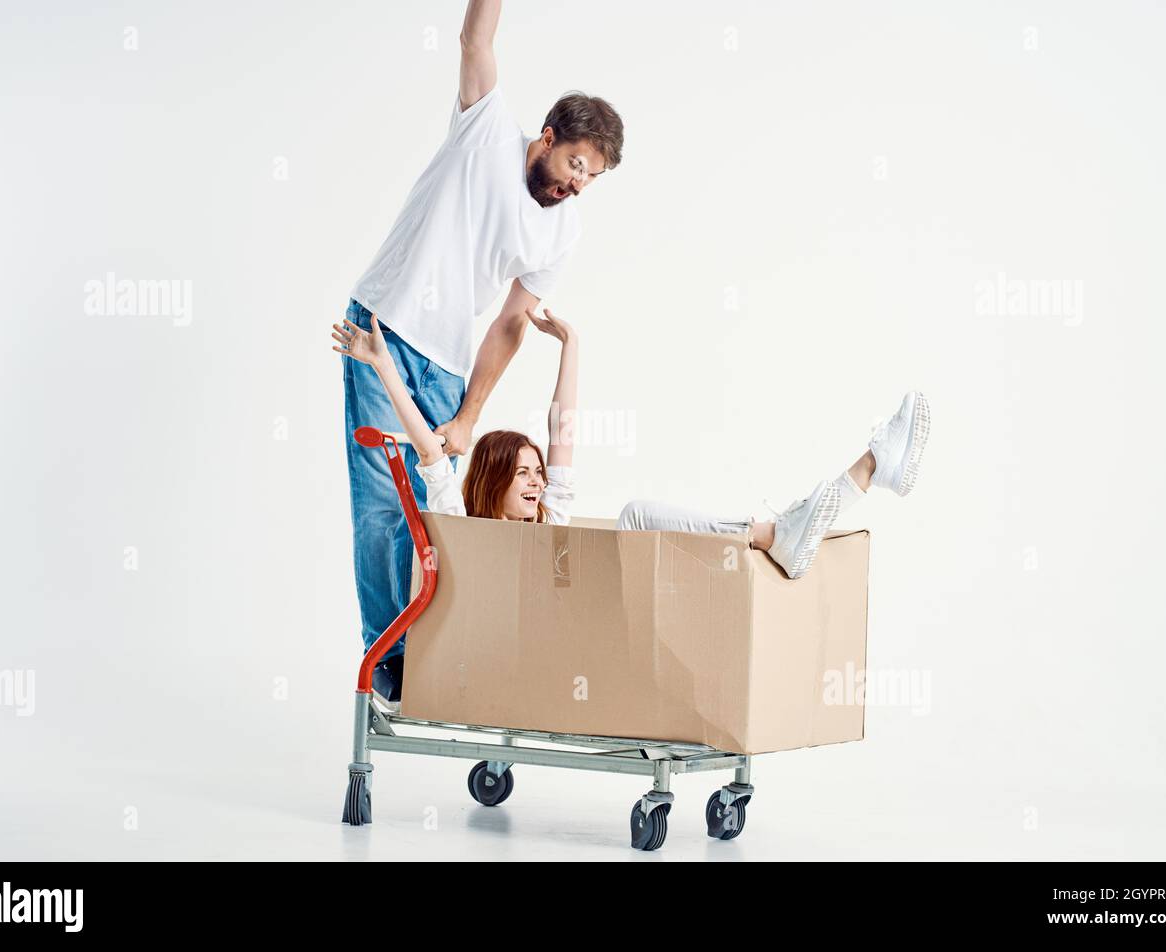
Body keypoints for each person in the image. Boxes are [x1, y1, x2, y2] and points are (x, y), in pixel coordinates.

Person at [332, 312, 931, 669]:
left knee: (642, 517)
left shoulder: (550, 522)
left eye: (538, 473)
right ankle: (800, 517)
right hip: (560, 634)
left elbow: (561, 431)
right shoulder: (459, 528)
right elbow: (432, 454)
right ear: (489, 482)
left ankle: (871, 468)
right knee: (637, 514)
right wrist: (382, 365)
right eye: (522, 473)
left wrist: (571, 346)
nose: (538, 481)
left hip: (604, 611)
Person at [342, 0, 624, 700]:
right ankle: (390, 660)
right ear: (548, 136)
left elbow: (509, 323)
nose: (575, 184)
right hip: (382, 324)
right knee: (384, 502)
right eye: (573, 164)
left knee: (445, 519)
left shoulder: (563, 232)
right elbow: (476, 34)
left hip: (447, 362)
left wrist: (469, 416)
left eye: (591, 177)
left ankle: (442, 649)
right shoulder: (488, 127)